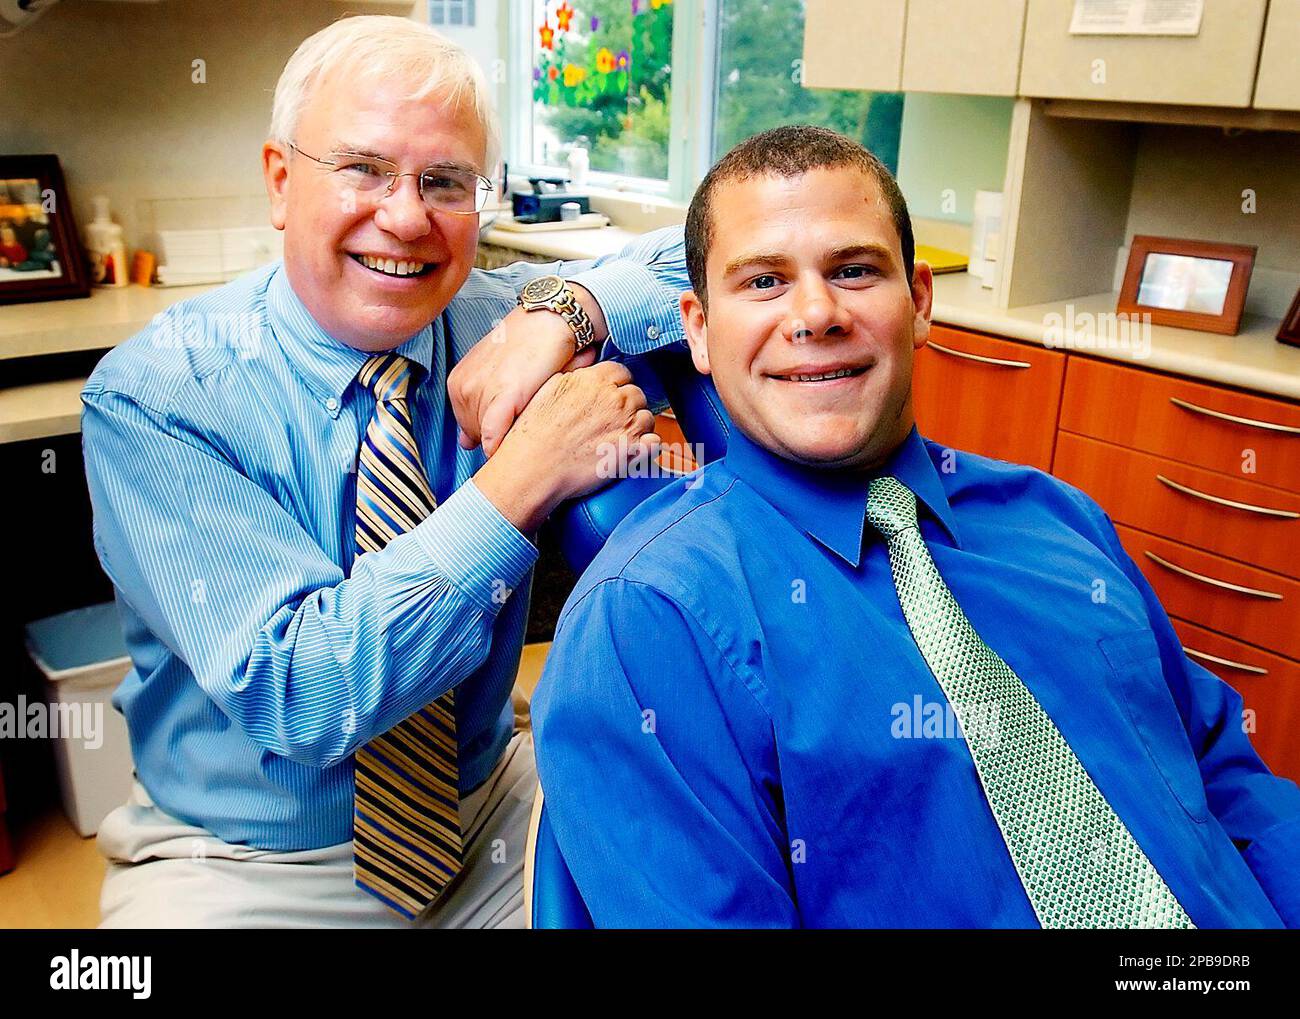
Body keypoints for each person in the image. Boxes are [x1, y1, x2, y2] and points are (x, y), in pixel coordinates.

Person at [531, 125, 1300, 928]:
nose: (815, 313)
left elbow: (1220, 769)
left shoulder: (1058, 519)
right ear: (697, 329)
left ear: (921, 301)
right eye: (763, 281)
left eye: (854, 270)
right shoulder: (647, 621)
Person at [81, 15, 688, 929]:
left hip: (484, 810)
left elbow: (725, 250)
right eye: (363, 169)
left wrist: (571, 304)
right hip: (245, 867)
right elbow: (301, 690)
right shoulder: (158, 395)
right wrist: (519, 478)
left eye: (444, 181)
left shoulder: (500, 323)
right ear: (282, 182)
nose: (406, 217)